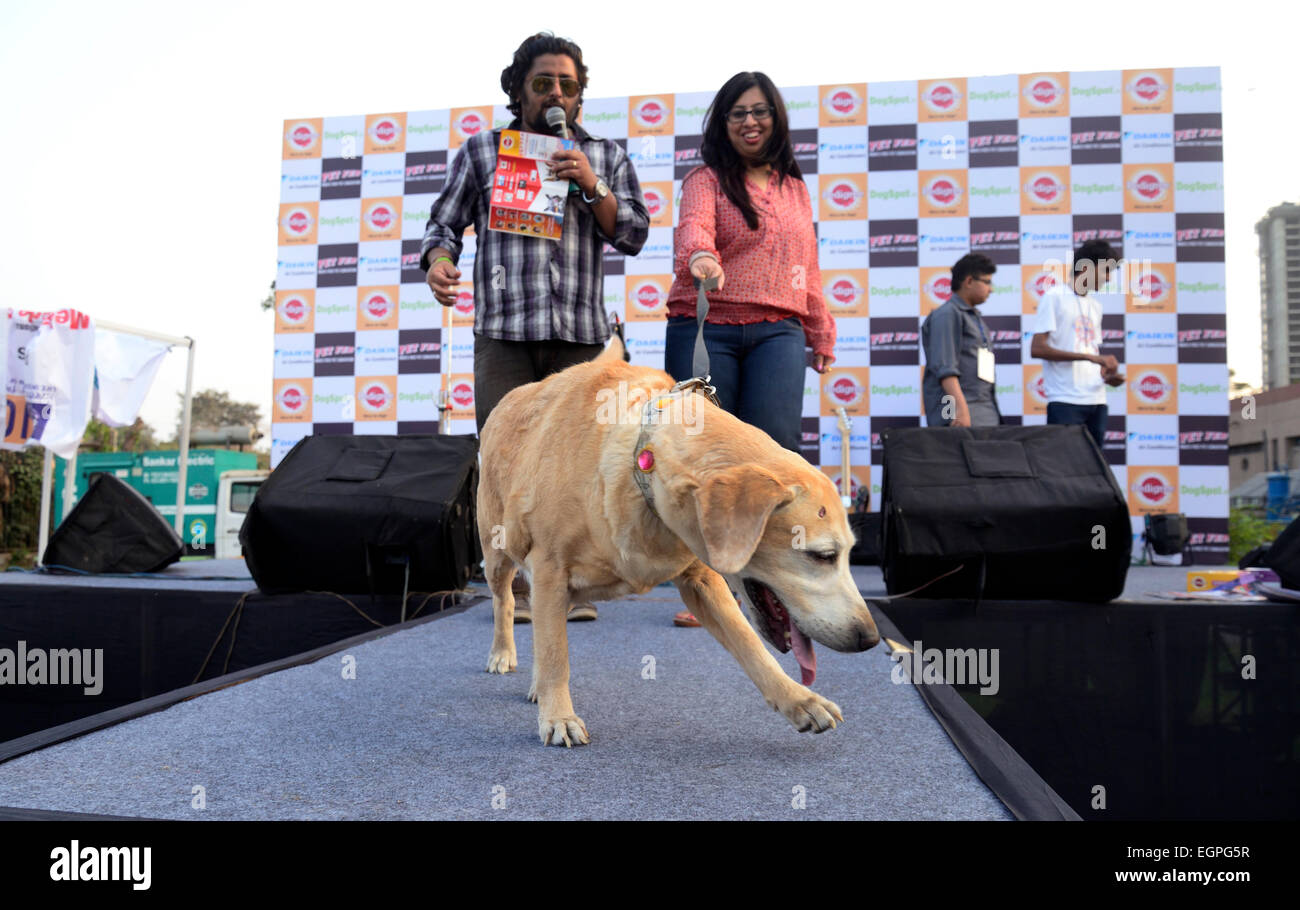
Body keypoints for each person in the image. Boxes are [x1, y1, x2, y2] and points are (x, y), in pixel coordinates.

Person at [422, 32, 650, 623]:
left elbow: (632, 233)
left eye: (567, 85)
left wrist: (591, 183)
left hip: (579, 333)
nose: (556, 93)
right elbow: (440, 227)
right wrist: (439, 263)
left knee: (580, 460)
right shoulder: (482, 151)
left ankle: (571, 581)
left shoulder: (605, 155)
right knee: (504, 460)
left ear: (580, 96)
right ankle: (512, 591)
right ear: (518, 90)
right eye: (543, 83)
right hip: (504, 331)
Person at [665, 71, 836, 627]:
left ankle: (769, 581)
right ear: (723, 122)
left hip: (778, 332)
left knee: (774, 457)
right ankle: (705, 584)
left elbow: (806, 264)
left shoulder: (794, 185)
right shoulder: (705, 179)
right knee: (704, 456)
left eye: (759, 111)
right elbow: (693, 228)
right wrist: (700, 260)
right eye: (737, 113)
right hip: (706, 325)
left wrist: (820, 330)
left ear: (776, 118)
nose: (750, 121)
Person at [1029, 240, 1126, 448]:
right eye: (1106, 271)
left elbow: (1089, 351)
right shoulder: (1054, 297)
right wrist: (1091, 358)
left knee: (1092, 471)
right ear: (1085, 268)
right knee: (1062, 469)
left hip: (1097, 400)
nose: (1109, 278)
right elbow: (1037, 349)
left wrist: (1107, 375)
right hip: (1065, 400)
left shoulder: (1095, 305)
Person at [922, 253, 1002, 427]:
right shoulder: (947, 314)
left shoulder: (974, 316)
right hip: (960, 414)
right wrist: (960, 410)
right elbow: (945, 367)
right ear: (969, 281)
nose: (991, 289)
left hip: (982, 410)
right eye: (987, 282)